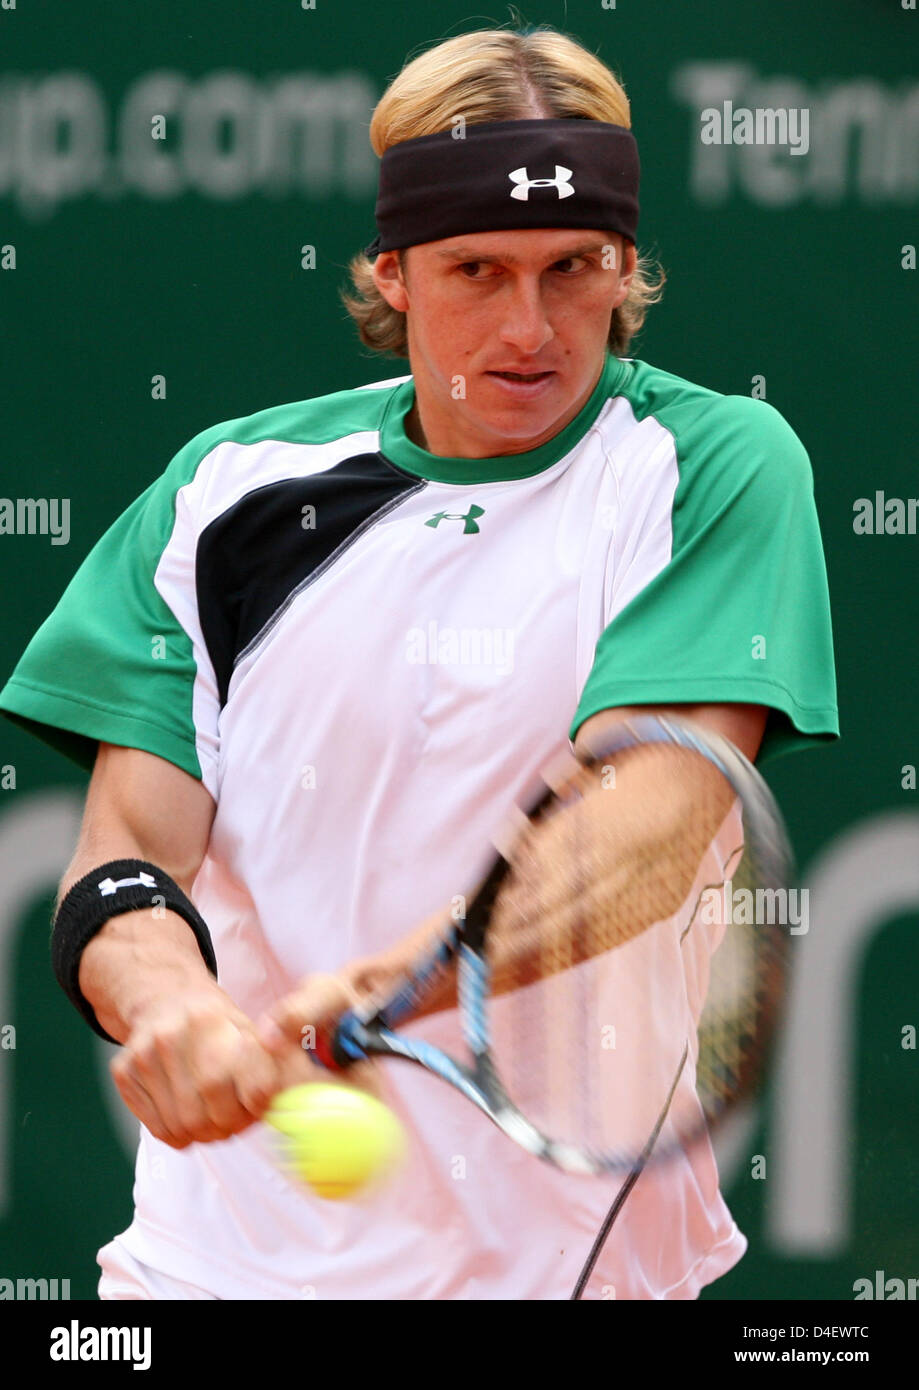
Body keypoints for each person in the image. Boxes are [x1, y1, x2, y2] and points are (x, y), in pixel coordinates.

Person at [0, 25, 838, 1300]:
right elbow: (126, 848)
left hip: (563, 1274)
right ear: (392, 272)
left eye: (575, 268)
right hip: (204, 1272)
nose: (530, 326)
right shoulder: (224, 492)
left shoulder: (712, 466)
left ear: (626, 265)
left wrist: (403, 980)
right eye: (475, 271)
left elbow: (650, 818)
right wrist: (164, 996)